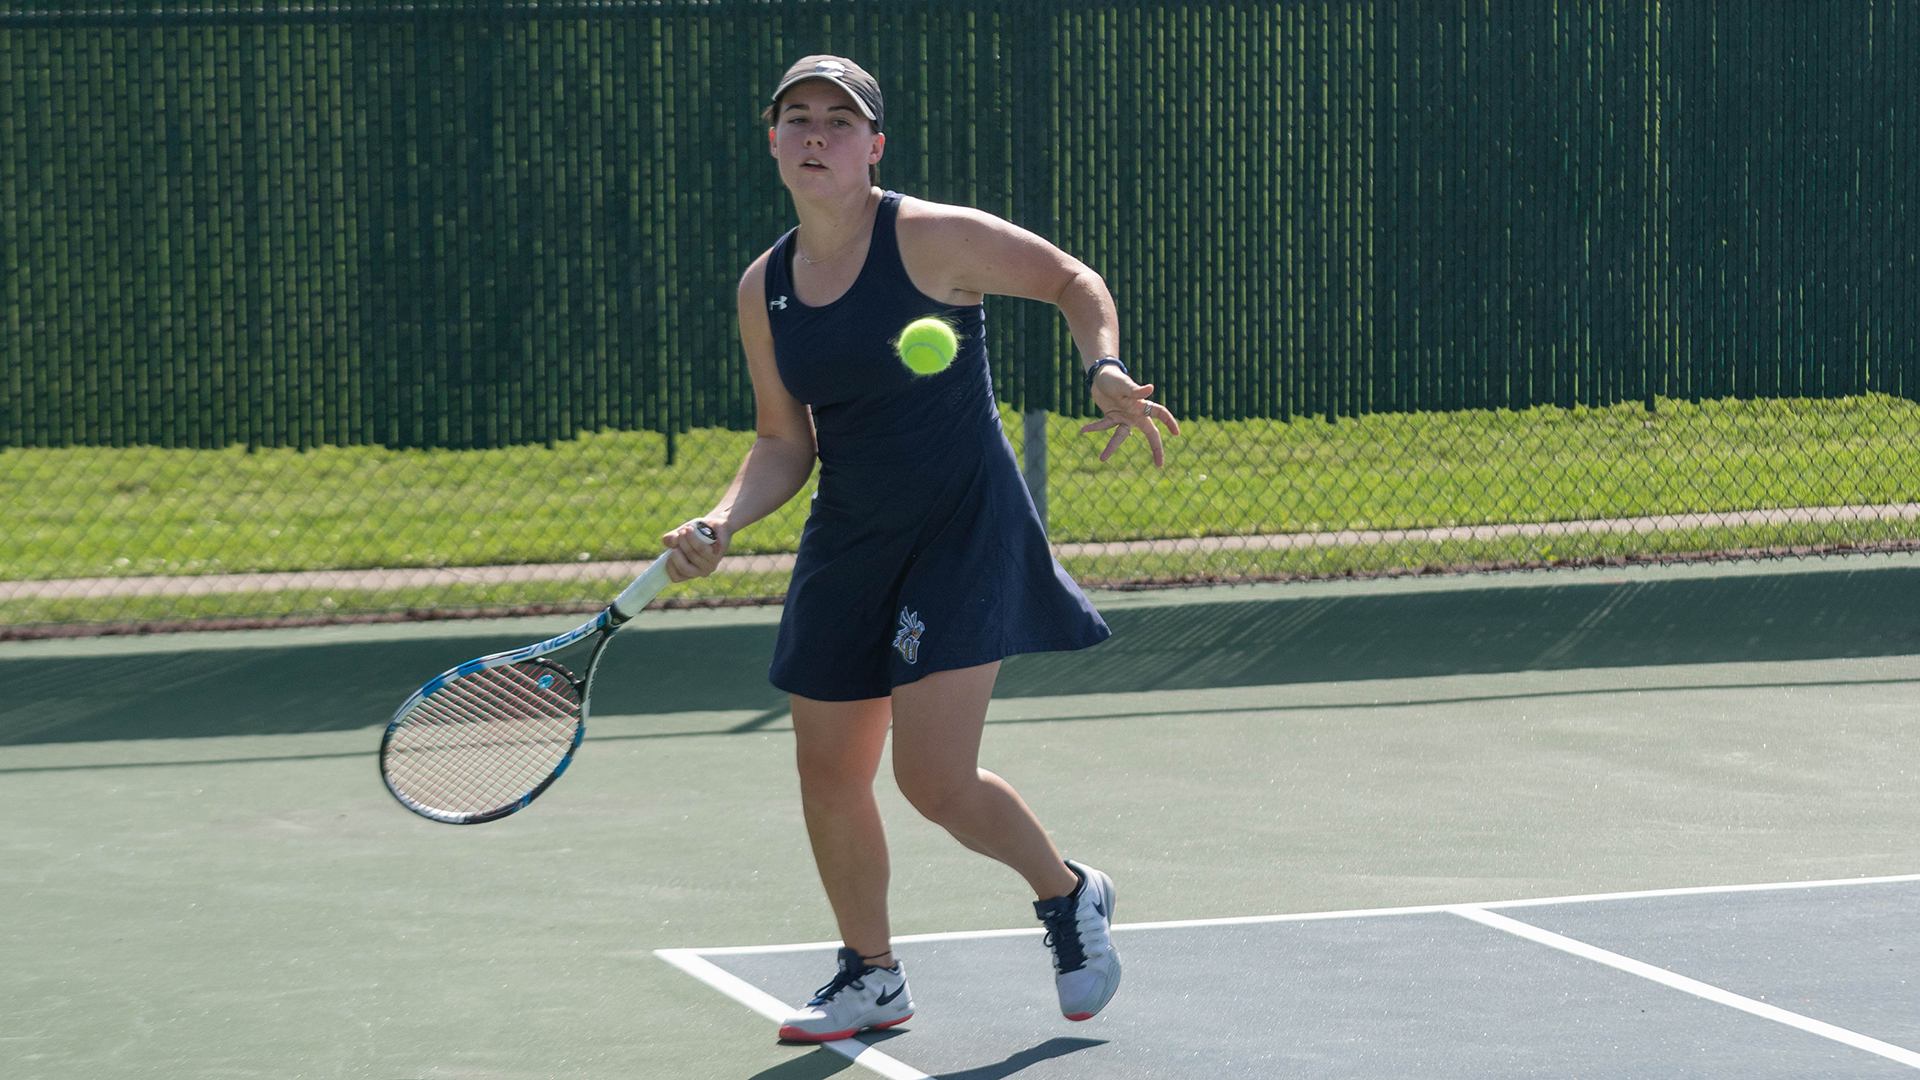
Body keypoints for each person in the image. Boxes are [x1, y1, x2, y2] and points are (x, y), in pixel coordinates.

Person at [658, 55, 1178, 1043]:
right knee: (828, 772)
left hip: (961, 528)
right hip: (850, 536)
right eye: (797, 118)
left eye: (839, 120)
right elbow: (783, 440)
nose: (817, 135)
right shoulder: (764, 286)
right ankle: (872, 976)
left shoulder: (930, 238)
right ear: (773, 142)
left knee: (932, 781)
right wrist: (722, 519)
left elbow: (1070, 280)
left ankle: (1068, 894)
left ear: (874, 147)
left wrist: (1104, 366)